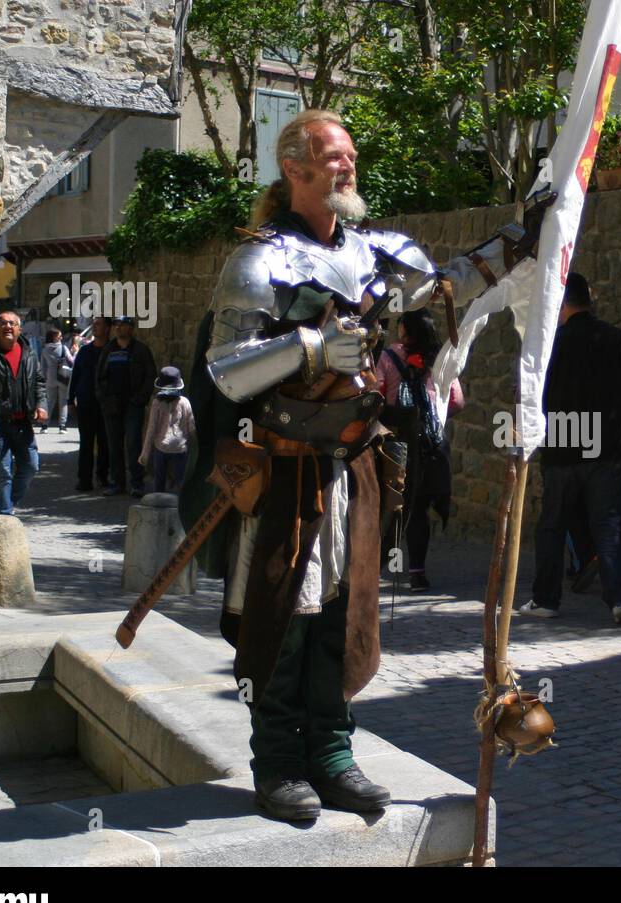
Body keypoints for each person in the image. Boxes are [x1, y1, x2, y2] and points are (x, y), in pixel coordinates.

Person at [176, 108, 552, 822]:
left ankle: (332, 754)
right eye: (333, 156)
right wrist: (312, 351)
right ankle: (278, 764)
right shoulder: (260, 261)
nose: (348, 166)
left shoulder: (372, 253)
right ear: (295, 168)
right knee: (282, 620)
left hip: (354, 468)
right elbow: (225, 369)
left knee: (344, 620)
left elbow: (444, 286)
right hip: (282, 472)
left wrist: (525, 235)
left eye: (350, 154)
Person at [520, 272, 621, 625]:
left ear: (561, 302)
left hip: (563, 444)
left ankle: (546, 598)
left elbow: (534, 397)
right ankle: (620, 599)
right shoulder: (618, 340)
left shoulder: (551, 345)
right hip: (608, 447)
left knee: (552, 525)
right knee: (608, 525)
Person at [375, 310, 465, 591]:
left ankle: (374, 567)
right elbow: (458, 401)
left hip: (397, 444)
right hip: (430, 445)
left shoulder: (389, 357)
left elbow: (376, 394)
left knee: (390, 506)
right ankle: (417, 572)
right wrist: (434, 419)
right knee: (421, 508)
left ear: (404, 330)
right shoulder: (442, 359)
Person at [0, 311, 47, 515]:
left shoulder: (29, 352)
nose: (8, 326)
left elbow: (39, 381)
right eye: (3, 323)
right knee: (3, 473)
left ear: (19, 329)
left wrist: (41, 404)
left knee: (31, 466)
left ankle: (8, 505)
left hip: (22, 423)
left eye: (12, 323)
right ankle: (5, 514)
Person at [95, 315, 156, 497]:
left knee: (133, 444)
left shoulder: (140, 350)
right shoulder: (109, 349)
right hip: (112, 404)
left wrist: (140, 398)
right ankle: (117, 483)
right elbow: (99, 376)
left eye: (123, 325)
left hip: (133, 405)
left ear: (131, 328)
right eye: (117, 325)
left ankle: (137, 483)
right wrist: (103, 398)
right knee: (114, 445)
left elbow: (150, 375)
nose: (119, 328)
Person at [138, 367, 197, 494]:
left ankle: (158, 503)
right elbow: (192, 426)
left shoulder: (157, 403)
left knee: (159, 480)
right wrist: (194, 447)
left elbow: (151, 429)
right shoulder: (185, 402)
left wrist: (145, 453)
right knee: (181, 479)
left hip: (161, 447)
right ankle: (182, 504)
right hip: (180, 448)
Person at [69, 318, 110, 491]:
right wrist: (70, 400)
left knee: (105, 442)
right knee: (86, 443)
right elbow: (76, 376)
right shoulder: (85, 351)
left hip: (107, 403)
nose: (94, 326)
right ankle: (84, 479)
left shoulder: (112, 350)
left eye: (98, 324)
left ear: (108, 328)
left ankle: (103, 476)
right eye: (94, 324)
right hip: (86, 402)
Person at [40, 328, 75, 433]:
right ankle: (62, 426)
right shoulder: (64, 348)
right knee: (63, 402)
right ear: (54, 337)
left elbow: (43, 367)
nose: (61, 337)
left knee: (49, 401)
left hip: (50, 378)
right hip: (63, 377)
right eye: (59, 336)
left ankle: (44, 425)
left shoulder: (45, 350)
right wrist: (74, 352)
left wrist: (45, 378)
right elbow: (71, 362)